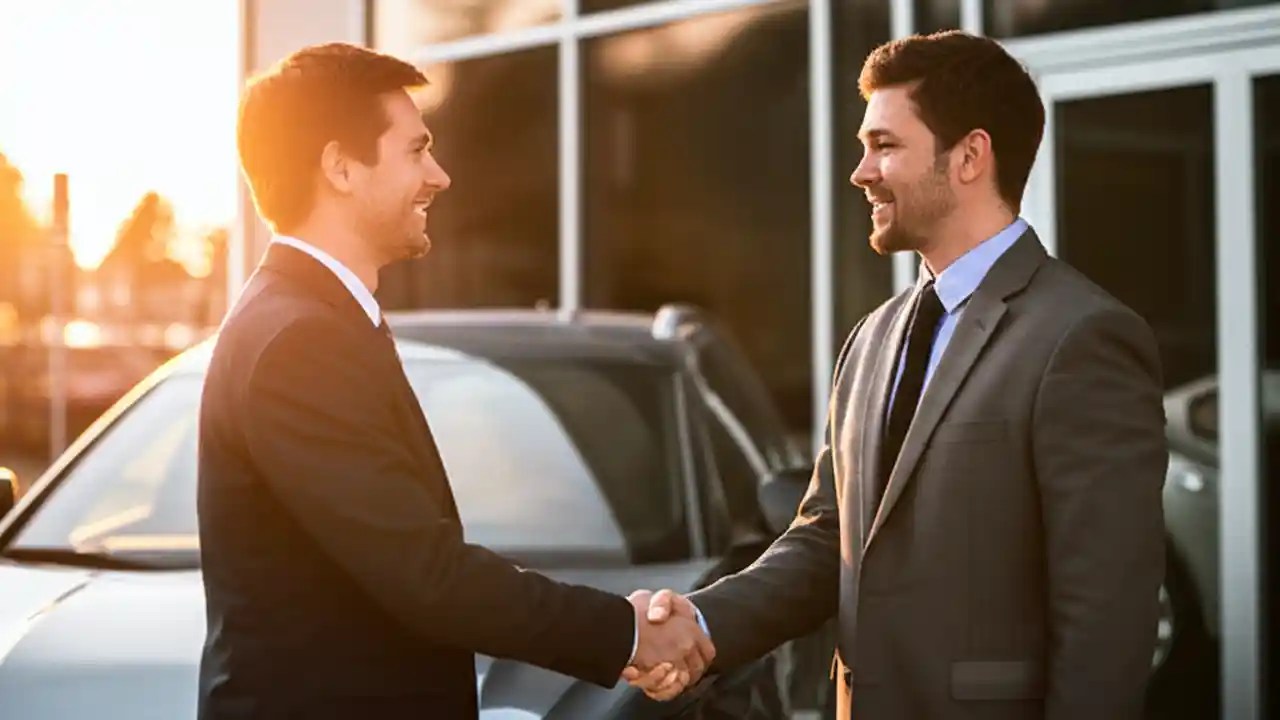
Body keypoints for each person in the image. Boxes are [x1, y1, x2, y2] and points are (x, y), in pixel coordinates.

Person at [624, 30, 1167, 719]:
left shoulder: (1083, 337)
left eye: (885, 145)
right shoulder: (872, 338)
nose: (860, 170)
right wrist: (700, 625)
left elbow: (1106, 618)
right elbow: (827, 539)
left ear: (970, 156)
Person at [196, 42, 710, 720]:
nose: (438, 176)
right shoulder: (300, 341)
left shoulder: (312, 320)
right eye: (416, 150)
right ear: (341, 168)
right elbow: (426, 575)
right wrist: (627, 631)